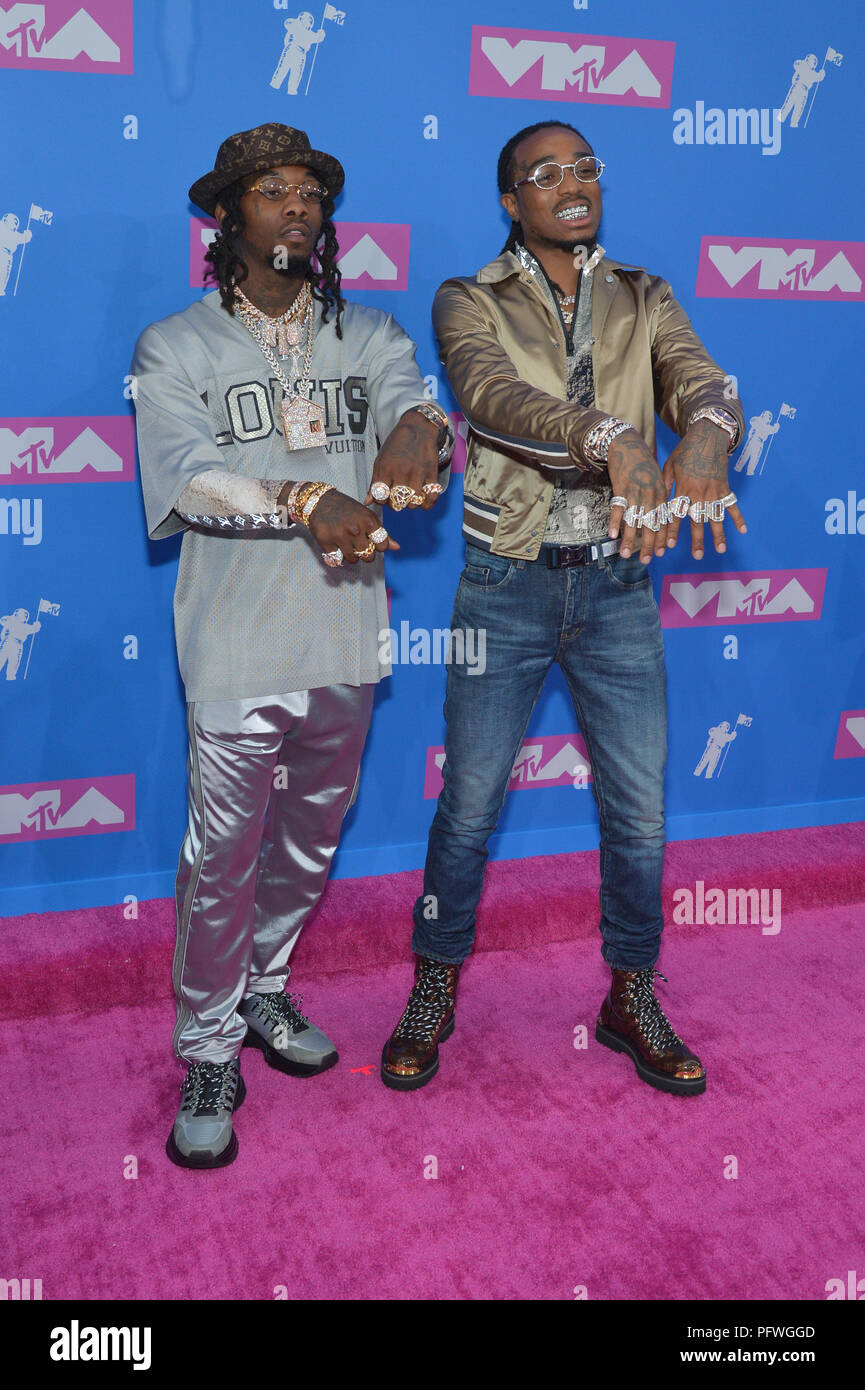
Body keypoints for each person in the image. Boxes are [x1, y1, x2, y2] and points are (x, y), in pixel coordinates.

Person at [380, 120, 746, 1098]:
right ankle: (432, 984)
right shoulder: (469, 296)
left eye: (585, 165)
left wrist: (708, 430)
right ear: (511, 200)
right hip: (507, 585)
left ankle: (630, 993)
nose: (571, 182)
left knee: (639, 813)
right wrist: (606, 434)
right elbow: (489, 396)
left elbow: (700, 379)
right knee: (466, 809)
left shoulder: (644, 294)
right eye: (544, 173)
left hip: (620, 584)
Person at [132, 123, 452, 1168]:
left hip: (346, 639)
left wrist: (420, 431)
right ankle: (208, 1045)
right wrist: (308, 494)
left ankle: (263, 992)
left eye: (311, 191)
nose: (297, 208)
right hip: (233, 651)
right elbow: (189, 479)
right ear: (227, 217)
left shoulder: (368, 334)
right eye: (271, 191)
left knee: (308, 846)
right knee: (219, 860)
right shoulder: (174, 345)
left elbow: (414, 409)